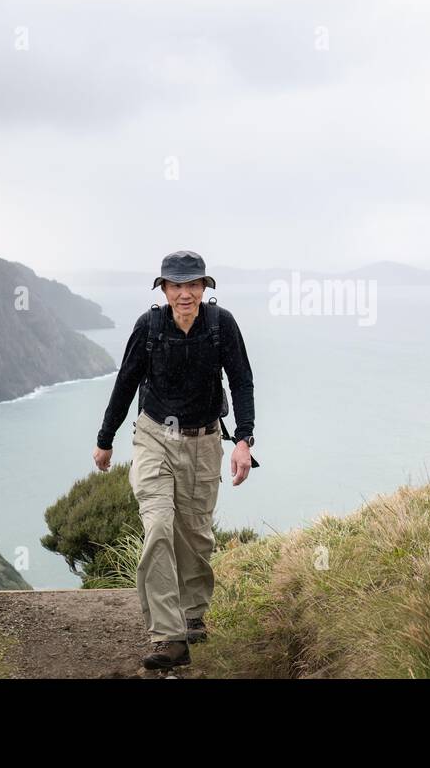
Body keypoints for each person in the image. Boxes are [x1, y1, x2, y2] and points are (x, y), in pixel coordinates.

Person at [92, 250, 256, 670]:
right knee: (159, 526)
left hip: (204, 443)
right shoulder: (149, 327)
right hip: (153, 439)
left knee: (195, 534)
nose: (185, 293)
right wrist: (105, 438)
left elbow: (241, 380)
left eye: (193, 284)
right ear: (163, 289)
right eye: (176, 285)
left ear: (204, 287)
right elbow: (126, 382)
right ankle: (168, 636)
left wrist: (243, 440)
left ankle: (193, 613)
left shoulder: (221, 326)